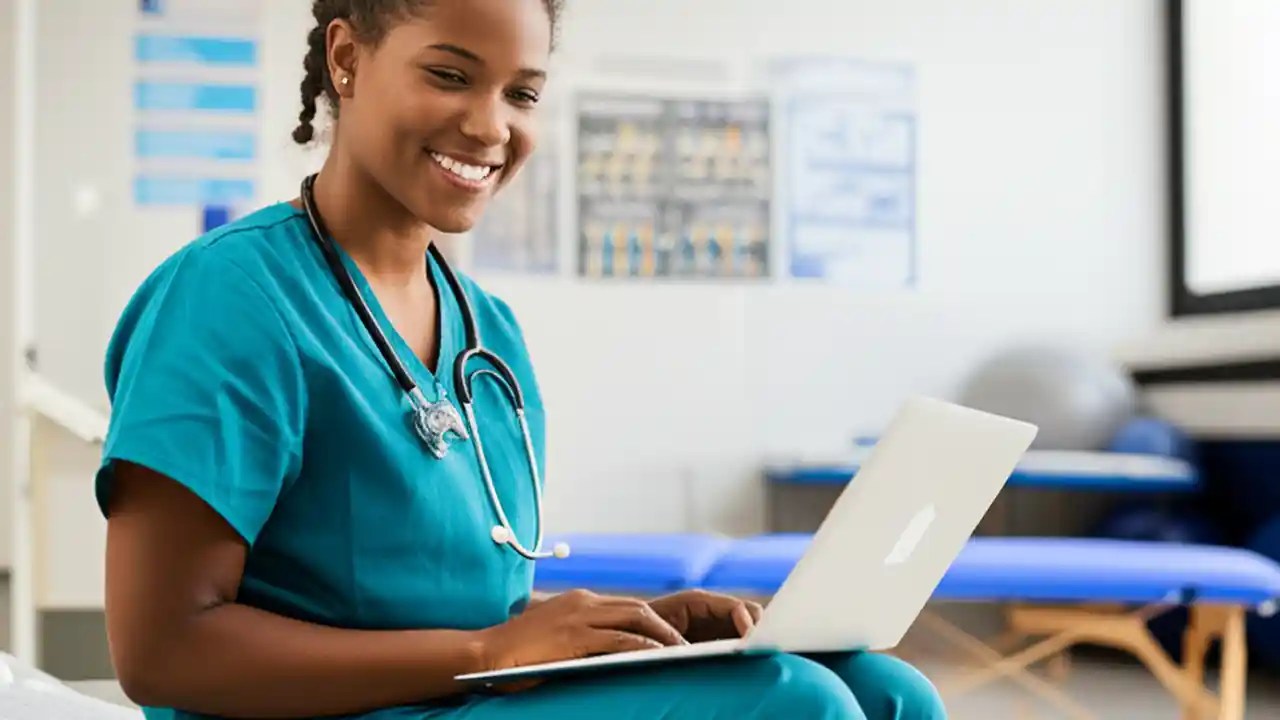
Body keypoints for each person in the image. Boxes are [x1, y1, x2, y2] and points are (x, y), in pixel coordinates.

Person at [95, 1, 948, 718]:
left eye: (523, 93)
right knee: (792, 703)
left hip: (460, 696)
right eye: (450, 74)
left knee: (884, 691)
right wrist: (491, 648)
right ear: (347, 58)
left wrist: (635, 626)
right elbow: (164, 651)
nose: (491, 124)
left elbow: (453, 610)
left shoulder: (484, 329)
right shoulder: (230, 298)